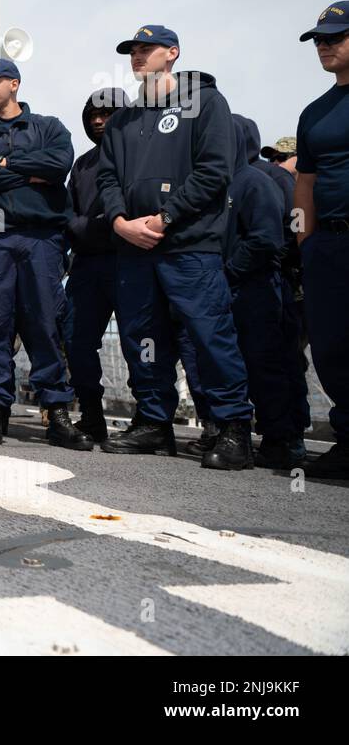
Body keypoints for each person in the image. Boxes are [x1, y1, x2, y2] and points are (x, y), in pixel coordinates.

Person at [96, 25, 254, 468]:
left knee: (209, 334)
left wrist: (165, 217)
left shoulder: (205, 102)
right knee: (141, 337)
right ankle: (153, 423)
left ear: (173, 53)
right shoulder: (124, 118)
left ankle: (231, 428)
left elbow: (214, 171)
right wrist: (120, 221)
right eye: (132, 51)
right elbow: (107, 178)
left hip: (188, 244)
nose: (137, 56)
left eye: (146, 49)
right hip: (133, 247)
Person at [0, 58, 84, 448]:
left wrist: (5, 164)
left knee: (44, 324)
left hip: (40, 239)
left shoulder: (48, 127)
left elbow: (59, 163)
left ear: (15, 84)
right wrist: (26, 171)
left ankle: (57, 412)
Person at [219, 115, 304, 468]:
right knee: (230, 361)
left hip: (257, 287)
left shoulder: (257, 181)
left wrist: (230, 271)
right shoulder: (218, 182)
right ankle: (233, 430)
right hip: (228, 287)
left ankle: (281, 439)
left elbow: (268, 238)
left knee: (266, 361)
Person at [293, 0, 349, 478]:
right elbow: (304, 184)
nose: (324, 45)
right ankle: (348, 438)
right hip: (328, 245)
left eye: (335, 37)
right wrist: (303, 243)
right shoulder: (314, 113)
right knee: (331, 345)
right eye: (319, 39)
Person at [63, 88, 131, 443]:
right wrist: (86, 229)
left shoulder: (139, 156)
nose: (99, 121)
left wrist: (104, 225)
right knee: (76, 339)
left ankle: (153, 422)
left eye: (107, 114)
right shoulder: (82, 164)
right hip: (87, 265)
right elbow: (68, 212)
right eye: (93, 116)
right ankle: (91, 416)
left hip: (130, 262)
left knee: (141, 342)